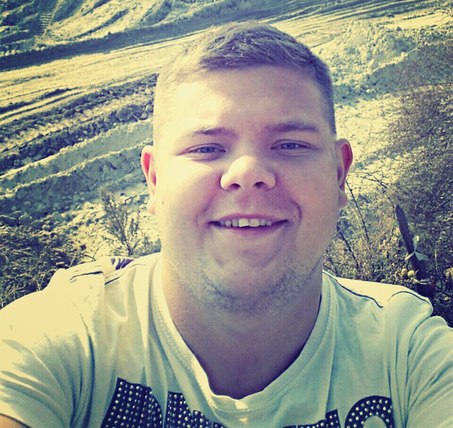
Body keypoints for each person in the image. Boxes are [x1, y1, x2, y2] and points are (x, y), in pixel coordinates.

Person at [0, 24, 452, 428]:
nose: (248, 172)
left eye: (290, 144)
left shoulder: (409, 355)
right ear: (154, 181)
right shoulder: (67, 336)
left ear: (338, 175)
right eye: (206, 148)